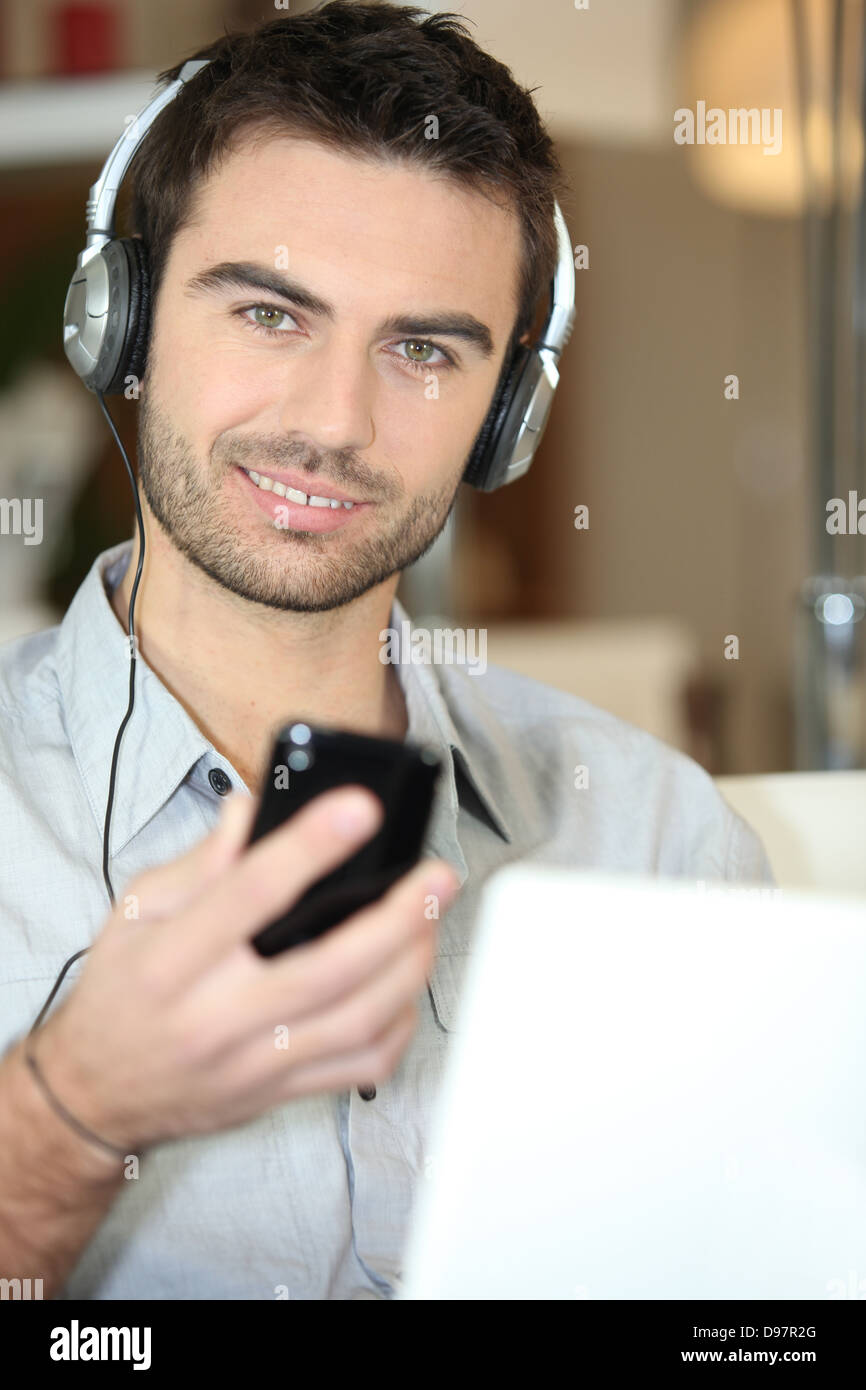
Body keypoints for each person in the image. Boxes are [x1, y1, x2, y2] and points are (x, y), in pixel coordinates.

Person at [0, 2, 773, 1300]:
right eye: (268, 314)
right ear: (119, 326)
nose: (332, 422)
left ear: (503, 416)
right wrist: (69, 1111)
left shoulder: (654, 839)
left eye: (421, 349)